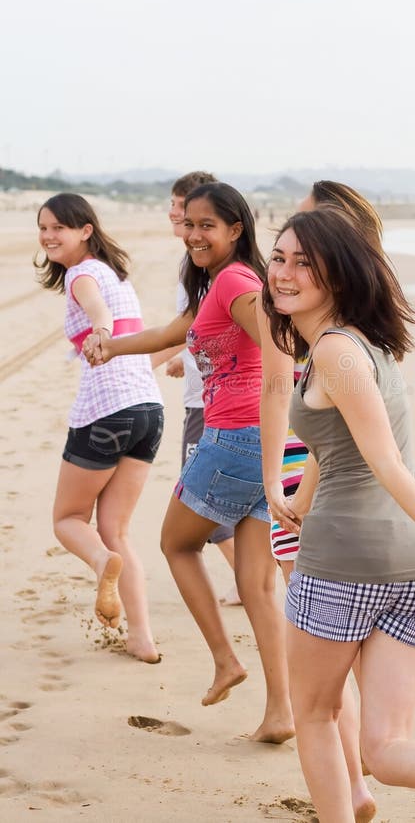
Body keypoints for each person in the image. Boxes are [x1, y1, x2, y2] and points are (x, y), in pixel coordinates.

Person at [262, 206, 415, 823]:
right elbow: (340, 442)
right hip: (414, 569)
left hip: (345, 561)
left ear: (338, 277)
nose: (284, 274)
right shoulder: (367, 346)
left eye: (304, 264)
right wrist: (301, 498)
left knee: (316, 713)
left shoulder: (334, 354)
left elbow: (388, 464)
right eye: (280, 258)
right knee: (386, 746)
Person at [83, 182, 294, 742]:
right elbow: (172, 333)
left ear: (235, 230)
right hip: (261, 445)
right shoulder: (221, 286)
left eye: (208, 226)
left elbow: (280, 351)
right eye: (189, 224)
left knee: (176, 544)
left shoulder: (235, 281)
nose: (194, 235)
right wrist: (110, 344)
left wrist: (271, 412)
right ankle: (280, 712)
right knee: (257, 586)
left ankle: (226, 659)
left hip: (235, 438)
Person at [257, 181, 386, 822]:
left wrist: (275, 484)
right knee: (349, 655)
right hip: (359, 501)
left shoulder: (312, 323)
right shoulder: (367, 320)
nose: (291, 257)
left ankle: (352, 790)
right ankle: (359, 776)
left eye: (307, 242)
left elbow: (278, 395)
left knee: (319, 660)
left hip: (307, 480)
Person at [34, 193, 164, 664]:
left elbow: (95, 311)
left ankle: (98, 563)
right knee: (117, 531)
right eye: (43, 227)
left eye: (58, 228)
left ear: (85, 230)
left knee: (69, 521)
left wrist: (101, 331)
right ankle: (142, 638)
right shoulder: (117, 276)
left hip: (107, 411)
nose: (48, 236)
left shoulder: (82, 274)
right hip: (149, 412)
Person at [154, 170, 240, 607]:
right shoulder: (199, 266)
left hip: (211, 407)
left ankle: (250, 580)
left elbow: (187, 329)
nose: (174, 213)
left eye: (179, 205)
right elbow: (199, 333)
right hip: (205, 397)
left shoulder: (214, 270)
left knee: (203, 506)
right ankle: (256, 582)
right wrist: (176, 359)